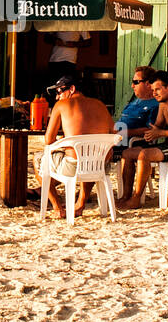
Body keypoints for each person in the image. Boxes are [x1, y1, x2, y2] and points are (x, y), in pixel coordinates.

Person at [116, 71, 168, 210]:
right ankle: (126, 197)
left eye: (158, 89)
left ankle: (136, 199)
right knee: (127, 153)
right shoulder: (162, 104)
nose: (155, 93)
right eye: (153, 90)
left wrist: (160, 133)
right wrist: (150, 132)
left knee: (144, 155)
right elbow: (157, 126)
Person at [34, 74, 114, 218]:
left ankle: (58, 208)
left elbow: (48, 140)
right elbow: (113, 132)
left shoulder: (61, 106)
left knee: (38, 159)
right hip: (101, 165)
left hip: (72, 167)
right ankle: (80, 204)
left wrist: (65, 143)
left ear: (72, 89)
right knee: (89, 156)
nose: (57, 97)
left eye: (59, 92)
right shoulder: (100, 105)